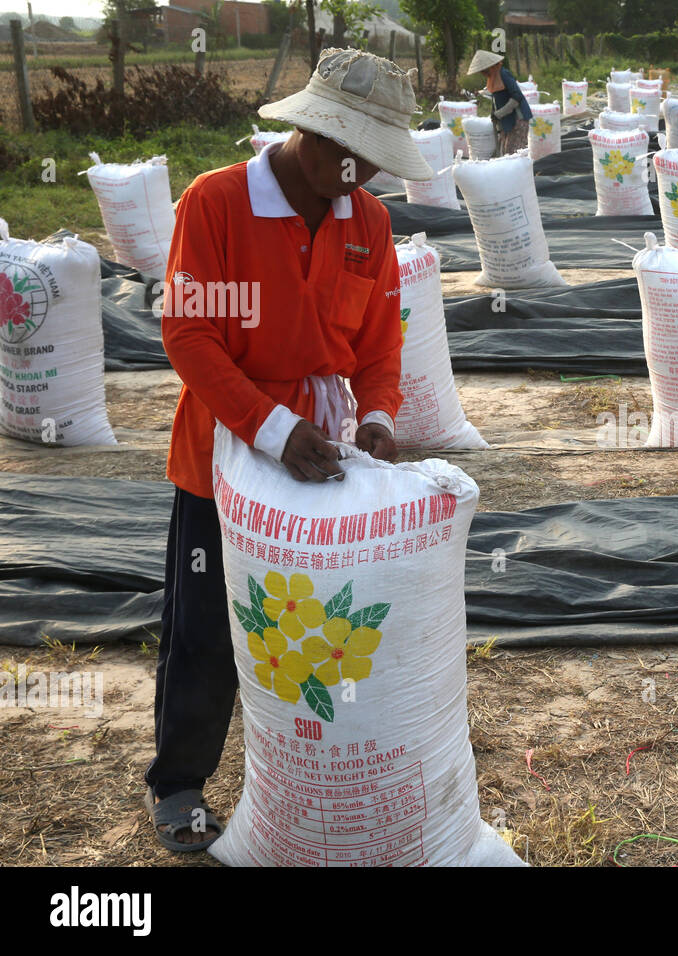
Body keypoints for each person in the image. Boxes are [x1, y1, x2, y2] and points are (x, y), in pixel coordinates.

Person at [144, 48, 433, 851]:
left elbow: (378, 347)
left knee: (312, 626)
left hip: (322, 460)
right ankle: (178, 783)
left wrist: (375, 417)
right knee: (206, 626)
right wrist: (270, 429)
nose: (365, 173)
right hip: (222, 458)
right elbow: (190, 333)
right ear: (309, 131)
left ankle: (314, 775)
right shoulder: (217, 205)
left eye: (377, 160)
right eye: (353, 153)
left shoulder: (366, 224)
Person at [467, 49, 532, 157]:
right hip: (507, 120)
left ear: (489, 66)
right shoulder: (493, 77)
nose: (482, 73)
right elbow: (498, 94)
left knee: (513, 154)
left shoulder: (503, 74)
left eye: (483, 70)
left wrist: (499, 113)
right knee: (505, 152)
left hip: (518, 118)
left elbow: (516, 96)